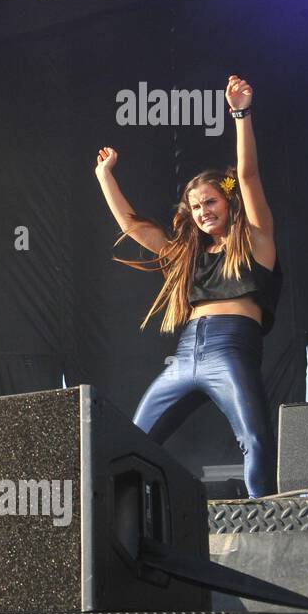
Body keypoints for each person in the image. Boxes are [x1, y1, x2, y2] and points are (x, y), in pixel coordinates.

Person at [95, 75, 281, 498]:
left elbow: (246, 177)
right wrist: (105, 175)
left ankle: (267, 523)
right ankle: (130, 533)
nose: (202, 212)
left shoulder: (255, 238)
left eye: (211, 202)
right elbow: (131, 226)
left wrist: (240, 114)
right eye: (196, 207)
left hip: (229, 350)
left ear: (228, 203)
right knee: (131, 447)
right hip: (183, 357)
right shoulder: (188, 258)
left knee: (254, 440)